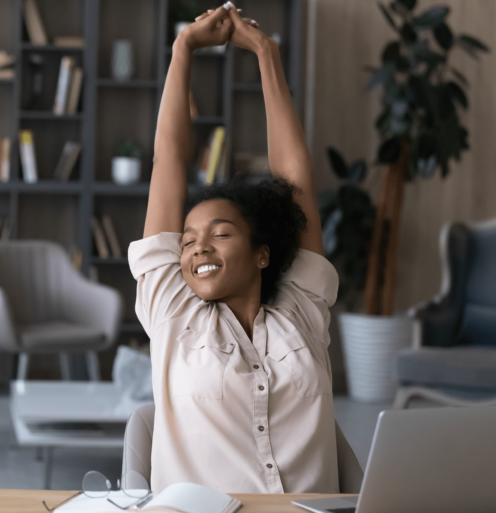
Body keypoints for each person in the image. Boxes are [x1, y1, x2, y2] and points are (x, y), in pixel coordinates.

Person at [128, 3, 339, 494]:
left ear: (263, 253)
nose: (199, 247)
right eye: (188, 241)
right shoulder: (170, 308)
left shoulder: (302, 309)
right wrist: (183, 48)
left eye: (220, 234)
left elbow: (295, 183)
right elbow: (169, 161)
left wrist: (266, 52)